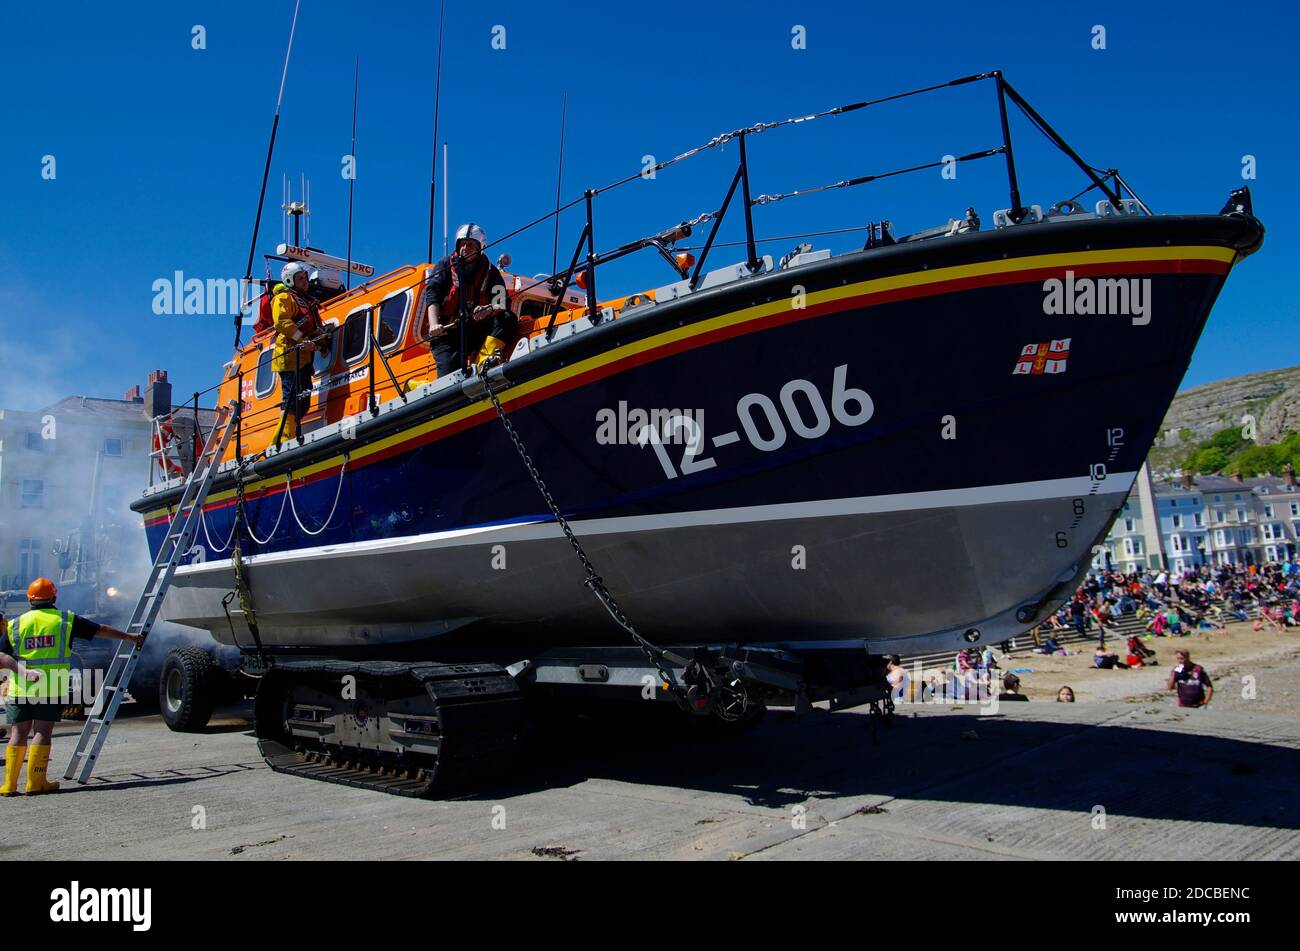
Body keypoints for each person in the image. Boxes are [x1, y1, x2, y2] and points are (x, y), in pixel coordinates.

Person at [0, 579, 143, 795]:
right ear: (54, 598)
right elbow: (100, 630)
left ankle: (9, 785)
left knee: (18, 734)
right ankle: (35, 783)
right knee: (42, 732)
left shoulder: (16, 624)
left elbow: (2, 656)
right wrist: (129, 637)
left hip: (21, 688)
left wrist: (22, 672)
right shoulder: (65, 620)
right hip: (51, 686)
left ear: (30, 599)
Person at [423, 223, 517, 377]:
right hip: (448, 334)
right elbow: (432, 294)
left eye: (471, 245)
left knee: (508, 318)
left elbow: (502, 301)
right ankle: (417, 386)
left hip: (475, 330)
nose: (465, 248)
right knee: (448, 378)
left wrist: (488, 309)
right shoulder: (444, 265)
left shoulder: (491, 272)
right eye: (463, 244)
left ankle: (485, 361)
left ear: (480, 247)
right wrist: (434, 325)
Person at [271, 261, 323, 445]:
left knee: (303, 401)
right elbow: (282, 322)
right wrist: (302, 341)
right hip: (289, 357)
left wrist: (323, 341)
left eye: (305, 278)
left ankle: (290, 435)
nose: (304, 282)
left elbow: (314, 327)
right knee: (291, 401)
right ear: (289, 280)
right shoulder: (284, 298)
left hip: (304, 359)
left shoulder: (307, 302)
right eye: (300, 279)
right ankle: (282, 440)